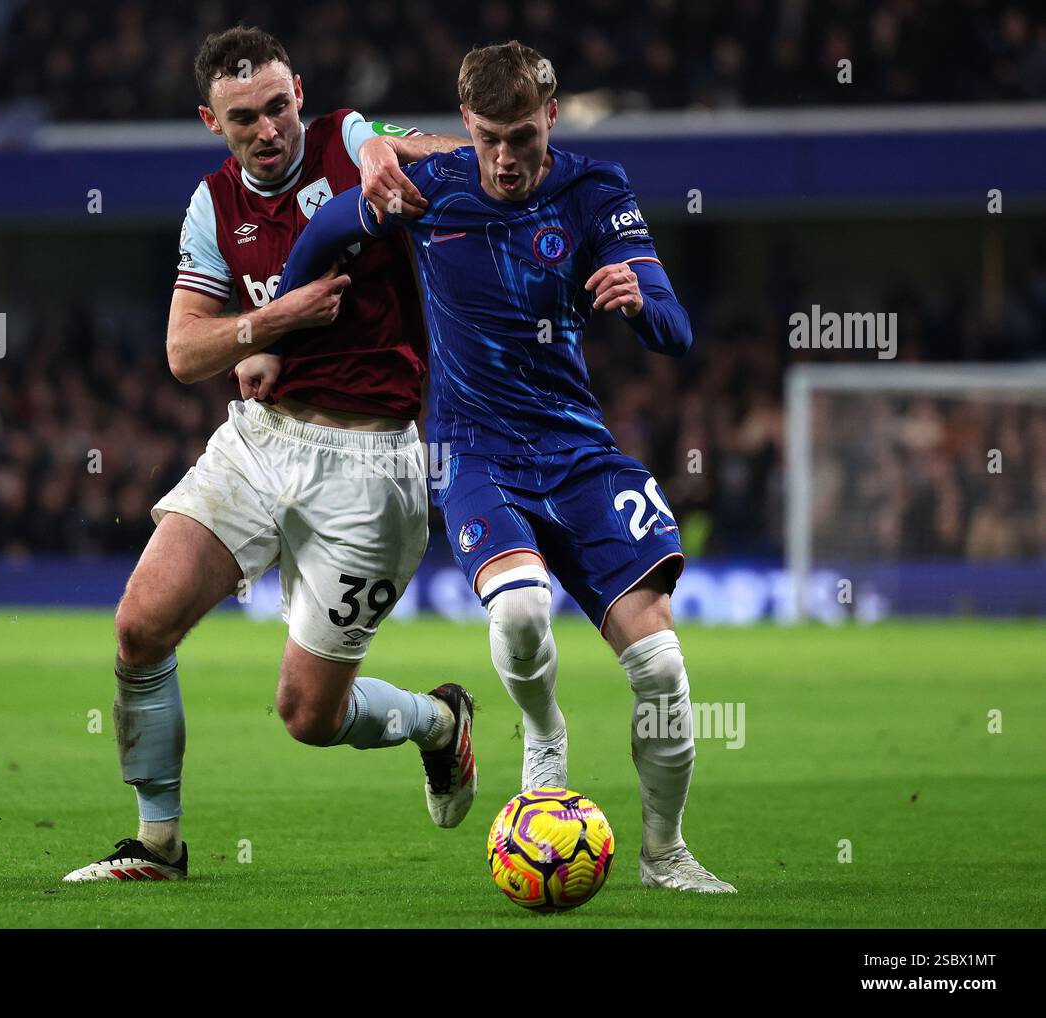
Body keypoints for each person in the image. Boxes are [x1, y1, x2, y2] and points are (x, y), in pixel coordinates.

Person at [265, 41, 736, 893]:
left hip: (579, 453)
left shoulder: (596, 190)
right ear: (466, 127)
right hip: (475, 453)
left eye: (521, 136)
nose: (505, 158)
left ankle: (665, 853)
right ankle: (544, 738)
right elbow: (328, 229)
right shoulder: (429, 191)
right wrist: (280, 330)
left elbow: (676, 327)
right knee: (520, 613)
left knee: (662, 667)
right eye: (487, 138)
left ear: (550, 117)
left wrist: (640, 301)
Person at [63, 26, 476, 884]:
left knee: (308, 717)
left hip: (371, 466)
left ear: (301, 94)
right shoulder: (213, 205)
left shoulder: (347, 139)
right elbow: (185, 354)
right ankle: (157, 845)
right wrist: (271, 324)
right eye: (244, 116)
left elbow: (431, 146)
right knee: (141, 625)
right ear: (211, 121)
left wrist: (395, 153)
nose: (268, 129)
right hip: (260, 440)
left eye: (280, 106)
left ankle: (440, 724)